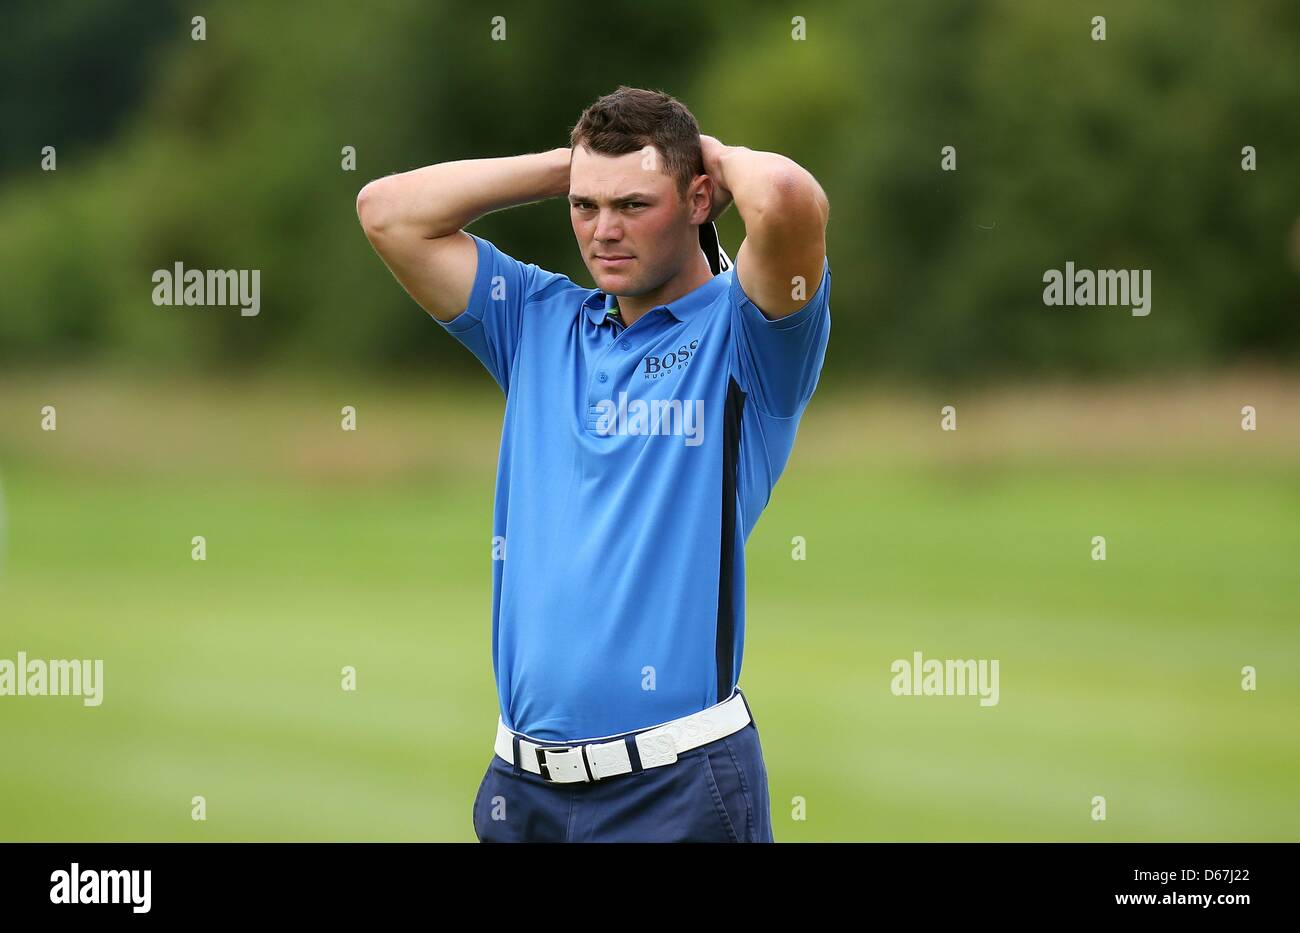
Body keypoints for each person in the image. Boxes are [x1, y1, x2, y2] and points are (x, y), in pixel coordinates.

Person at [356, 85, 831, 842]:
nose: (603, 231)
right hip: (523, 793)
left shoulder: (750, 338)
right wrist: (569, 168)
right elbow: (387, 210)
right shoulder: (538, 318)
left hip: (678, 790)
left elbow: (783, 197)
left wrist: (705, 155)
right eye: (585, 207)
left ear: (700, 198)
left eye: (634, 205)